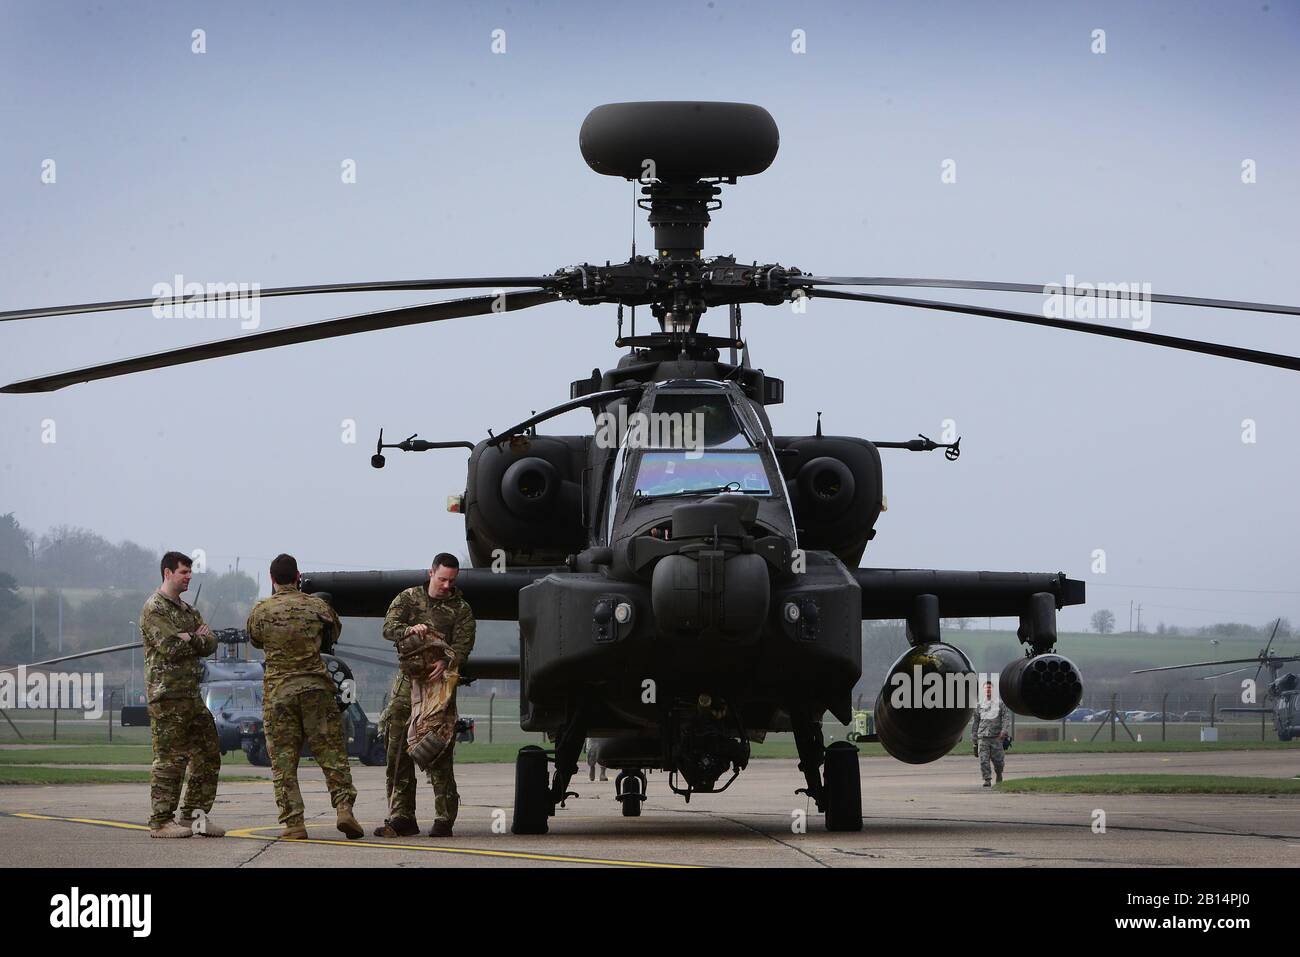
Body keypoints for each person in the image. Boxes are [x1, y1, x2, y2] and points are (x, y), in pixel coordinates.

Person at [246, 553, 363, 840]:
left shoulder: (261, 610)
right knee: (332, 754)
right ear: (298, 577)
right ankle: (344, 809)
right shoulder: (317, 606)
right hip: (316, 689)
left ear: (272, 579)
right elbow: (333, 633)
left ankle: (294, 823)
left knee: (283, 762)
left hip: (279, 694)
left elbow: (255, 639)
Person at [377, 553, 475, 838]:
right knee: (397, 752)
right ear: (431, 573)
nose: (446, 585)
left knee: (437, 749)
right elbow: (388, 629)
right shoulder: (408, 598)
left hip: (439, 687)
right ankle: (401, 816)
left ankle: (444, 818)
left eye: (452, 581)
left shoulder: (461, 609)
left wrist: (446, 661)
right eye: (442, 579)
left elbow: (463, 646)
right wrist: (410, 629)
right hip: (407, 685)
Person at [140, 551, 223, 838]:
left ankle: (193, 816)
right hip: (167, 697)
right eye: (183, 572)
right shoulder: (154, 608)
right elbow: (170, 648)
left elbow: (211, 642)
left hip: (191, 696)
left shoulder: (188, 611)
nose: (188, 577)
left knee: (209, 754)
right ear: (167, 573)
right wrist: (193, 638)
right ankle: (161, 820)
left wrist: (193, 637)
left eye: (190, 573)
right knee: (170, 759)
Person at [971, 679, 1011, 786]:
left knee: (998, 762)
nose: (988, 690)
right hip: (983, 737)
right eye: (986, 688)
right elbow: (976, 722)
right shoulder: (979, 705)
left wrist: (1004, 731)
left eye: (990, 688)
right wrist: (974, 738)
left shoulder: (1000, 704)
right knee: (983, 760)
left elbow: (1006, 718)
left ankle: (999, 774)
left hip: (996, 737)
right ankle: (987, 779)